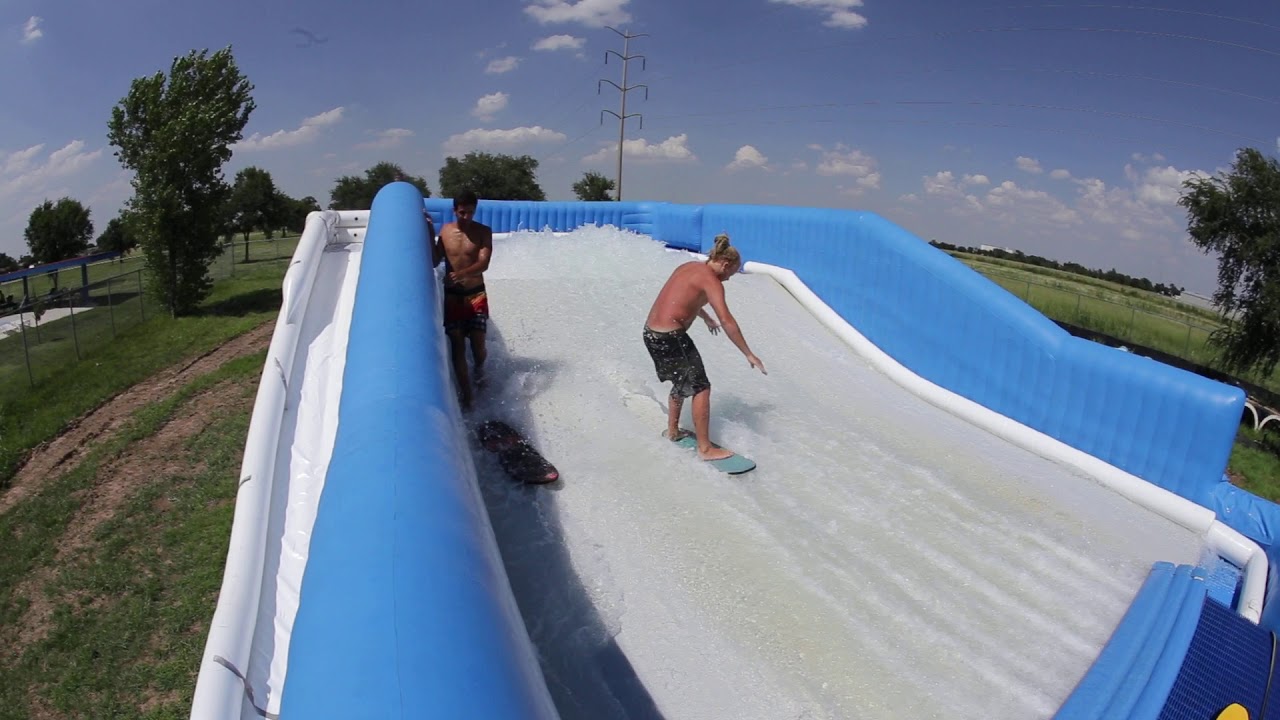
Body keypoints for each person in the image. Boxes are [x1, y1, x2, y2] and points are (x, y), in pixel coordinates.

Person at [641, 233, 766, 461]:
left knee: (681, 379)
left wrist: (705, 317)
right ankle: (705, 449)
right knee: (701, 387)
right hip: (671, 337)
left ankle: (673, 431)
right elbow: (727, 320)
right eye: (731, 273)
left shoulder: (687, 267)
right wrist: (748, 353)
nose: (728, 279)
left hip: (651, 334)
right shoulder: (712, 281)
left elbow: (679, 299)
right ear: (725, 264)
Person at [432, 190, 492, 410]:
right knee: (457, 345)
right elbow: (435, 259)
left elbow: (484, 264)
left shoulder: (483, 232)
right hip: (453, 298)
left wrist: (464, 273)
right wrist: (429, 232)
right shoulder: (446, 231)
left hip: (476, 293)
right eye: (462, 212)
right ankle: (467, 397)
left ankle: (480, 371)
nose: (466, 217)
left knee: (478, 344)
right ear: (455, 210)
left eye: (470, 212)